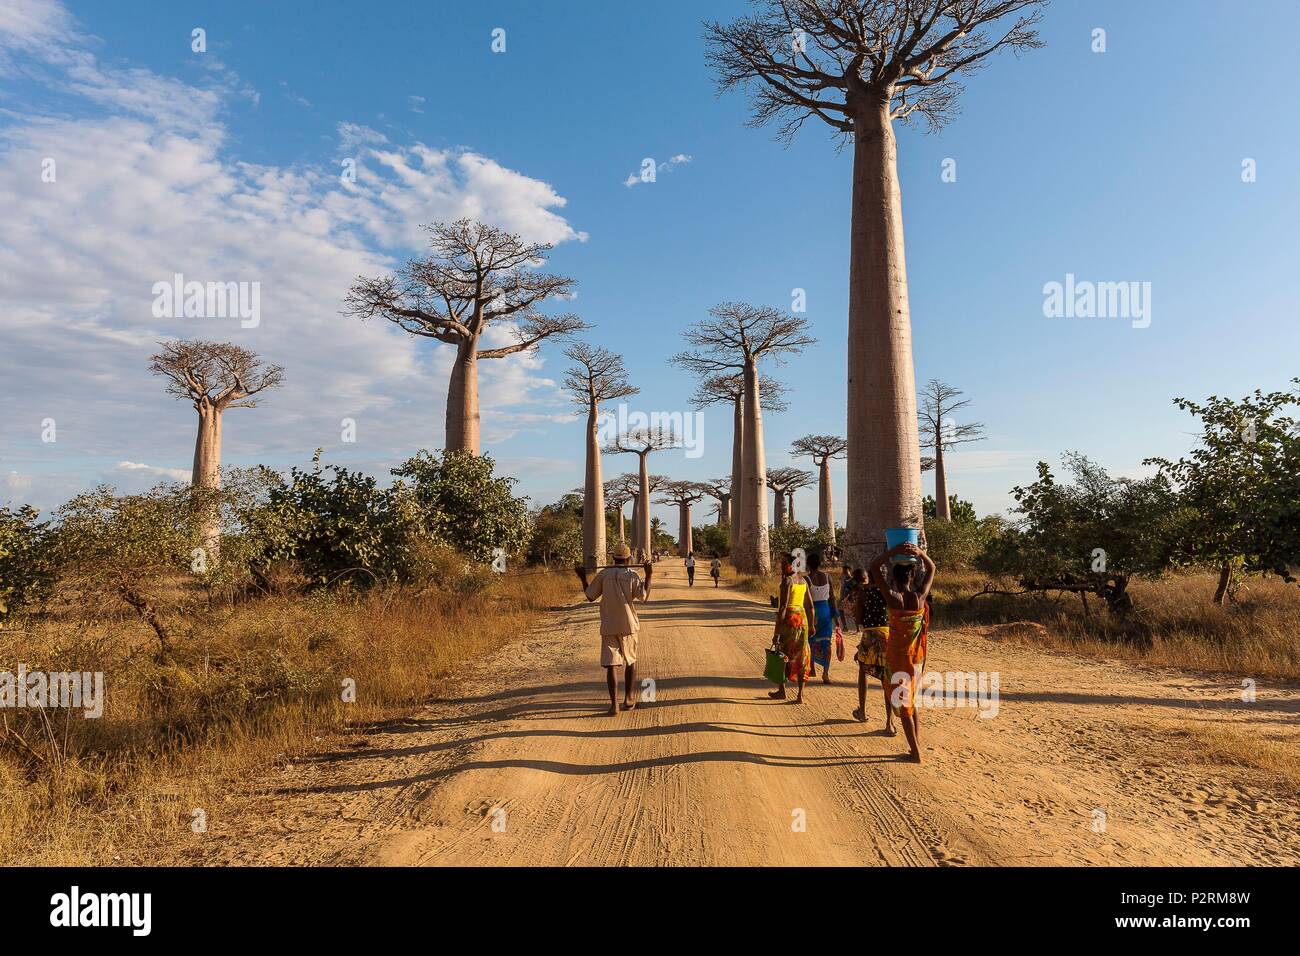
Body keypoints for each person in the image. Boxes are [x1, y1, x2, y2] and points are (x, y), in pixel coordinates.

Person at [867, 541, 936, 762]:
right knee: (911, 702)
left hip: (898, 658)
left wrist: (894, 551)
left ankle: (915, 752)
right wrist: (920, 553)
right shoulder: (919, 598)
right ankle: (914, 745)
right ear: (912, 576)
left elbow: (874, 566)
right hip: (916, 657)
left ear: (895, 579)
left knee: (904, 706)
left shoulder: (894, 599)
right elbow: (932, 569)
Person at [576, 542, 653, 716]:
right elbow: (644, 597)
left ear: (613, 558)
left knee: (612, 665)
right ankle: (629, 697)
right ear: (628, 559)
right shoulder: (632, 575)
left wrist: (582, 577)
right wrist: (649, 575)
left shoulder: (604, 575)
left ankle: (614, 705)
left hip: (609, 624)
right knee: (631, 661)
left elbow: (590, 596)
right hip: (628, 625)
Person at [850, 567, 894, 735]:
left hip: (869, 634)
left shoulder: (863, 592)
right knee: (886, 678)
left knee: (863, 670)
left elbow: (859, 618)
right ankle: (889, 723)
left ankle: (862, 711)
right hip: (886, 634)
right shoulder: (888, 592)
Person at [769, 552, 814, 702]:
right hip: (802, 620)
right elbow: (811, 606)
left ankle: (782, 691)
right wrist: (812, 625)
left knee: (783, 654)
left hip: (790, 620)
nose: (781, 566)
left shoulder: (787, 582)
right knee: (802, 655)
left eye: (784, 564)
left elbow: (782, 608)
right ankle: (800, 695)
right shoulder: (803, 581)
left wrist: (777, 631)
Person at [805, 551, 841, 684]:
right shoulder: (827, 576)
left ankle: (812, 668)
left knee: (810, 640)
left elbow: (807, 601)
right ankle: (825, 673)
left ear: (808, 565)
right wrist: (836, 615)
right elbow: (832, 597)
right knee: (826, 642)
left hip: (813, 612)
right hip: (826, 612)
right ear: (819, 564)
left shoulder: (807, 579)